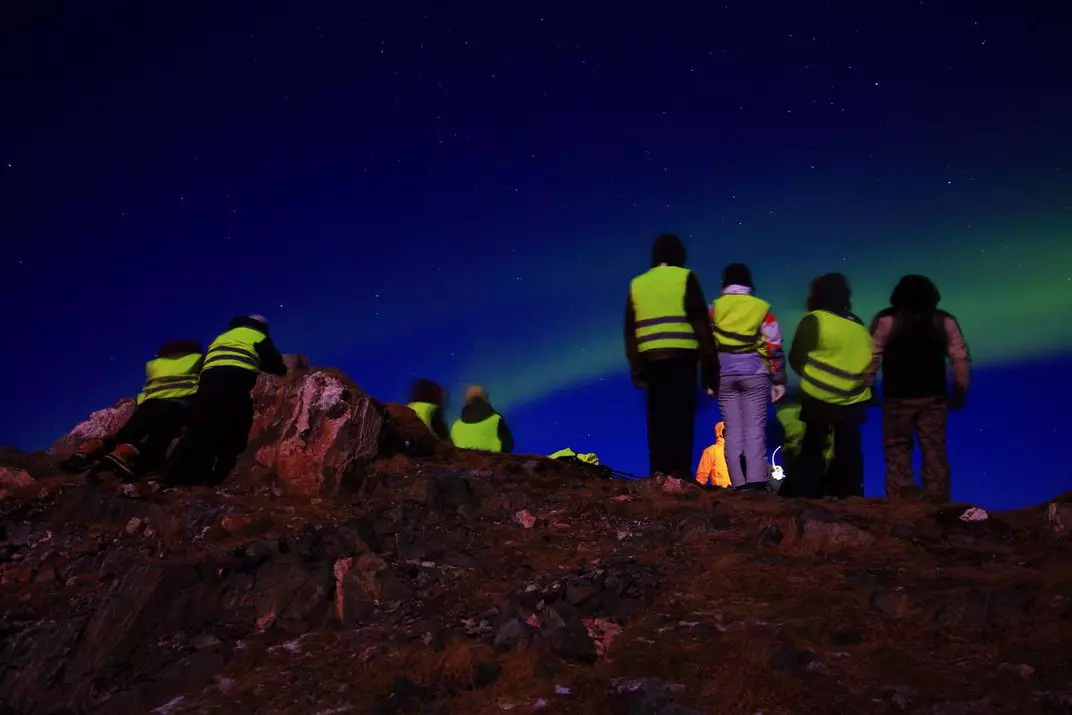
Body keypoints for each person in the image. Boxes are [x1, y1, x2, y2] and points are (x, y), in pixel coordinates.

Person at [624, 233, 719, 480]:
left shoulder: (637, 284)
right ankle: (679, 475)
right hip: (682, 358)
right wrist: (710, 363)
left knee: (657, 419)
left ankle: (658, 473)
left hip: (651, 360)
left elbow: (630, 332)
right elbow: (700, 322)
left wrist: (636, 368)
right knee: (681, 417)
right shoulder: (685, 277)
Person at [868, 275, 971, 502]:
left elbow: (871, 358)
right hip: (933, 397)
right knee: (934, 450)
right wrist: (960, 389)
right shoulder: (944, 321)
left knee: (897, 451)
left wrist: (868, 389)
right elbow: (959, 357)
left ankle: (900, 503)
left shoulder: (888, 320)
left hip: (897, 398)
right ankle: (938, 503)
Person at [166, 315, 287, 486]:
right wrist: (283, 370)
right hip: (234, 377)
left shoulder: (224, 336)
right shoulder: (257, 336)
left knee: (197, 425)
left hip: (208, 378)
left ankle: (170, 476)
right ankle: (197, 480)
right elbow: (274, 364)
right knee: (221, 426)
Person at [61, 339, 203, 481]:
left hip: (147, 404)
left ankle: (92, 448)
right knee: (159, 437)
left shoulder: (154, 365)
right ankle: (135, 463)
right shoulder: (196, 359)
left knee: (126, 435)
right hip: (176, 404)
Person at [788, 273, 872, 498]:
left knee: (813, 446)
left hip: (818, 396)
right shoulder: (859, 324)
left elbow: (797, 356)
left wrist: (813, 379)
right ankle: (851, 494)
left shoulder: (815, 319)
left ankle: (807, 494)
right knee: (849, 449)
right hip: (852, 397)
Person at [710, 262, 786, 491]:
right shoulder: (762, 310)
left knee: (732, 430)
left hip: (723, 375)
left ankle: (738, 483)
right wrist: (778, 378)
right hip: (755, 373)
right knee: (754, 428)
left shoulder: (713, 310)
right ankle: (756, 482)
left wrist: (709, 377)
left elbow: (705, 344)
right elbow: (774, 346)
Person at [450, 385, 514, 453]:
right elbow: (508, 445)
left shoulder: (456, 426)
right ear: (486, 399)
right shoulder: (496, 420)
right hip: (493, 462)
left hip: (463, 463)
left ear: (466, 401)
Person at [695, 421, 731, 488]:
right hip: (721, 493)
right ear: (720, 433)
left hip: (737, 493)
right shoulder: (711, 451)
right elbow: (701, 478)